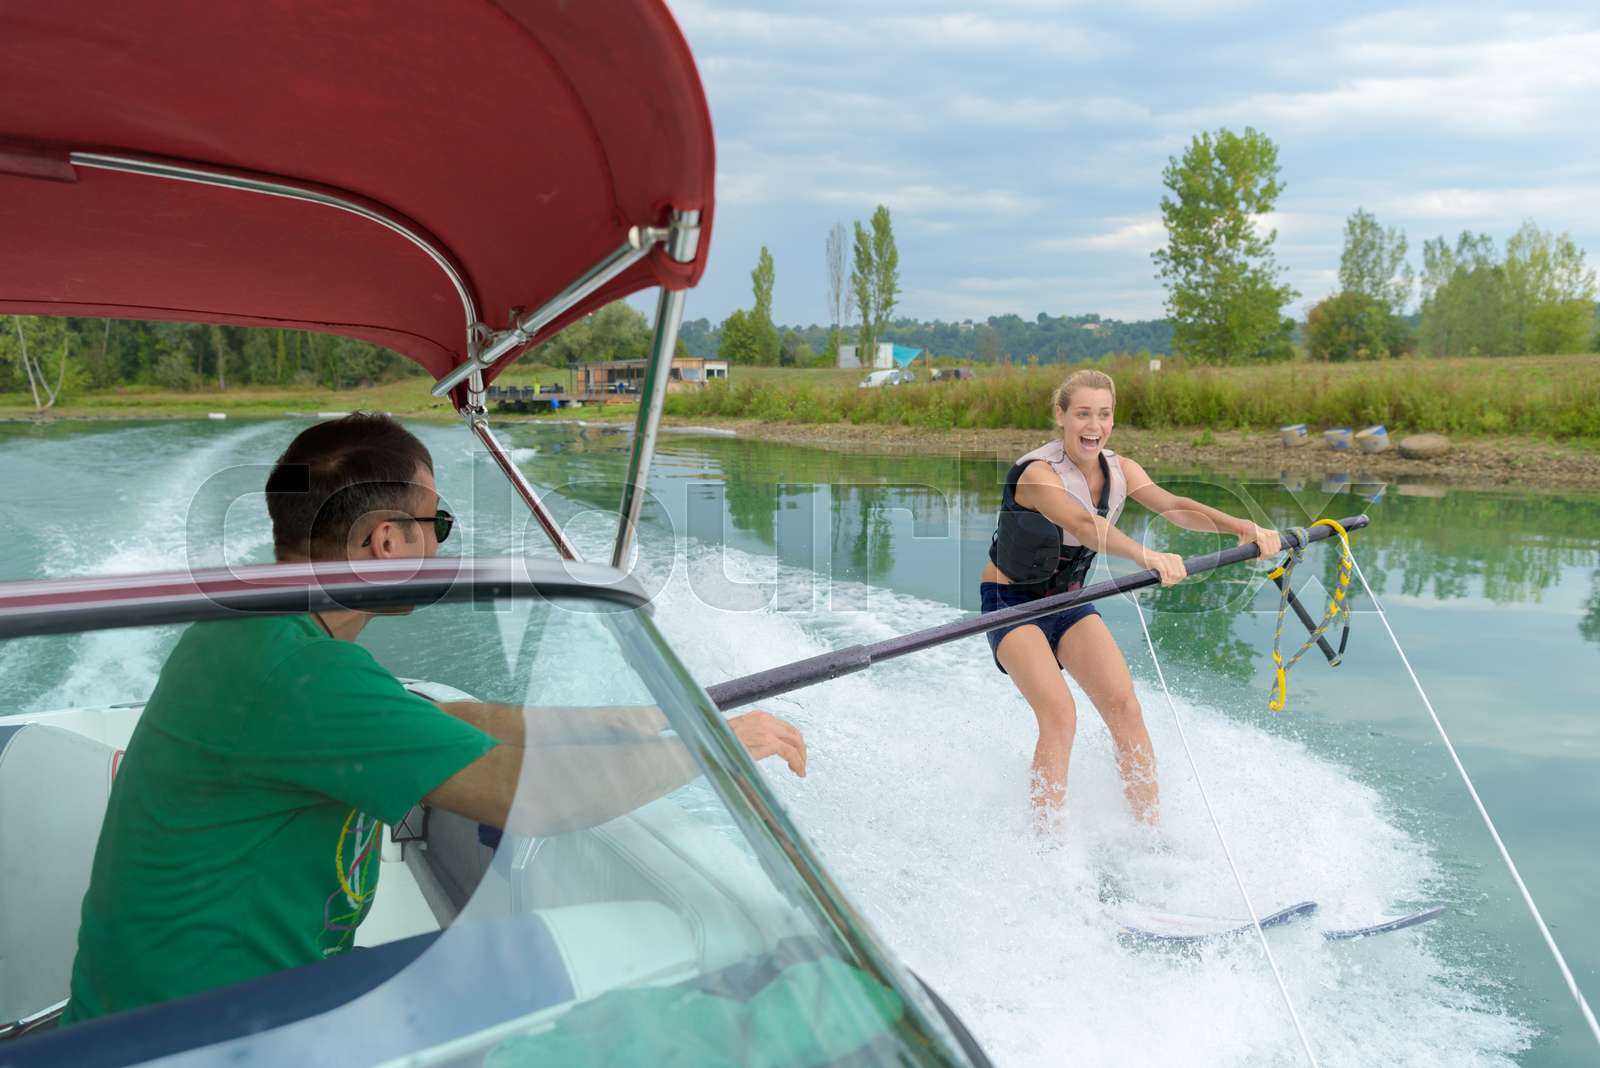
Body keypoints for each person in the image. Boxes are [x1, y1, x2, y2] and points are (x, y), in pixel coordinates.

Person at [63, 412, 806, 1024]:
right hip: (197, 1033)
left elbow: (452, 715)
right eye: (437, 523)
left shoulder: (255, 631)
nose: (442, 543)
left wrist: (641, 720)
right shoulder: (301, 671)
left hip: (181, 1002)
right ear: (388, 540)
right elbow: (536, 798)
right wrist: (717, 747)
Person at [981, 370, 1280, 828]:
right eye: (1082, 413)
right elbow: (1083, 526)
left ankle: (1149, 836)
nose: (1093, 425)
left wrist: (1240, 526)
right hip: (1011, 603)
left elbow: (1174, 506)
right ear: (1061, 416)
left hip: (1067, 601)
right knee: (1060, 713)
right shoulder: (1038, 474)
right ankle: (1045, 845)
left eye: (1103, 414)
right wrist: (1147, 555)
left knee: (1125, 708)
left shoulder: (1121, 469)